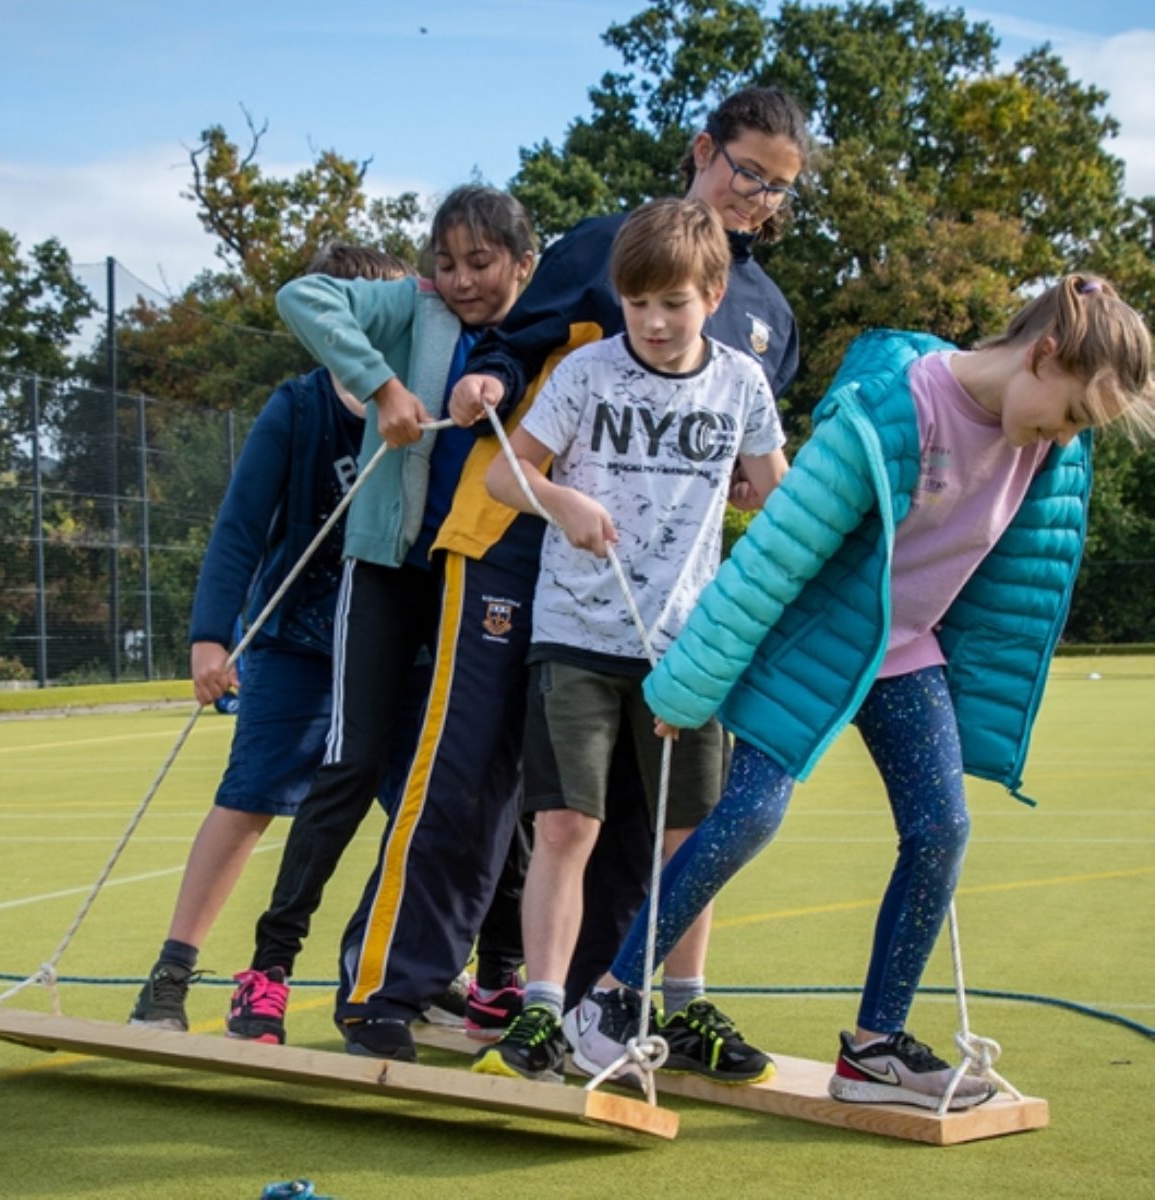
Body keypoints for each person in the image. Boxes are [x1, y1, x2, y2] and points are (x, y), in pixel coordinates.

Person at [577, 275, 1154, 1109]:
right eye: (1070, 414)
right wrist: (687, 686)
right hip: (819, 635)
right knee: (750, 815)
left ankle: (876, 1050)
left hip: (907, 647)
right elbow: (777, 552)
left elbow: (1006, 582)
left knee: (941, 829)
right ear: (1044, 354)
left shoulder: (1045, 448)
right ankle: (609, 1002)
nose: (1067, 437)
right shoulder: (894, 410)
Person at [330, 86, 812, 1066]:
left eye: (778, 188)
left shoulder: (768, 318)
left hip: (661, 605)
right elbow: (514, 347)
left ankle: (601, 1007)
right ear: (703, 151)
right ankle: (394, 989)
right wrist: (489, 382)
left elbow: (756, 465)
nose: (757, 196)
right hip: (517, 545)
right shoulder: (604, 244)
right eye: (746, 171)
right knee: (471, 774)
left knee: (639, 817)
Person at [467, 197, 788, 1085]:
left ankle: (684, 1007)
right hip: (574, 638)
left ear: (713, 295)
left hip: (689, 652)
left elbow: (779, 495)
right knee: (566, 825)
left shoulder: (742, 384)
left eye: (673, 303)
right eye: (637, 302)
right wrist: (560, 500)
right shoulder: (586, 372)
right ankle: (542, 1011)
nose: (652, 321)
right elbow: (504, 473)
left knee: (690, 836)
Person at [225, 186, 536, 1049]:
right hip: (390, 571)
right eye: (447, 262)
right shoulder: (414, 305)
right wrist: (385, 386)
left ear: (524, 263)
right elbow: (303, 296)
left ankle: (494, 976)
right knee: (350, 762)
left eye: (481, 263)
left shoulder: (542, 327)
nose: (461, 280)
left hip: (483, 579)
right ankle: (269, 969)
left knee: (488, 775)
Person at [128, 244, 413, 1032]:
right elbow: (240, 527)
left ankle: (397, 972)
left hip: (398, 648)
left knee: (426, 810)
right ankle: (170, 977)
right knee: (249, 797)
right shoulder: (298, 408)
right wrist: (210, 638)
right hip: (298, 641)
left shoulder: (423, 402)